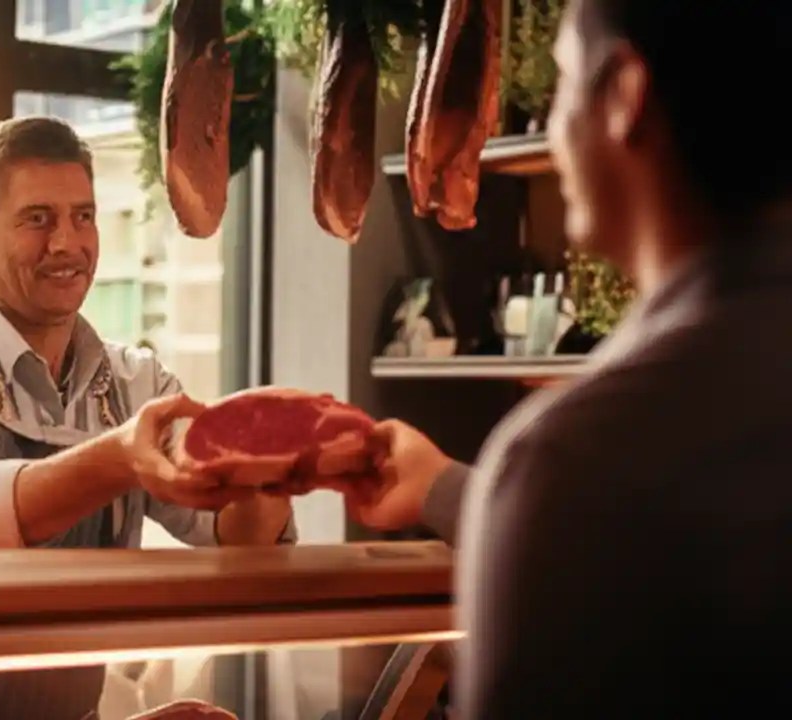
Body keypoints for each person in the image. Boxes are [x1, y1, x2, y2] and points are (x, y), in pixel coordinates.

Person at [332, 1, 792, 717]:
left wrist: (515, 483)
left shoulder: (574, 457)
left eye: (562, 85)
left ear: (623, 98)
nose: (551, 126)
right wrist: (445, 487)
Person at [0, 116, 293, 720]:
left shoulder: (136, 384)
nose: (67, 243)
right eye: (37, 219)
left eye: (84, 216)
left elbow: (236, 540)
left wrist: (274, 465)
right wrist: (119, 457)